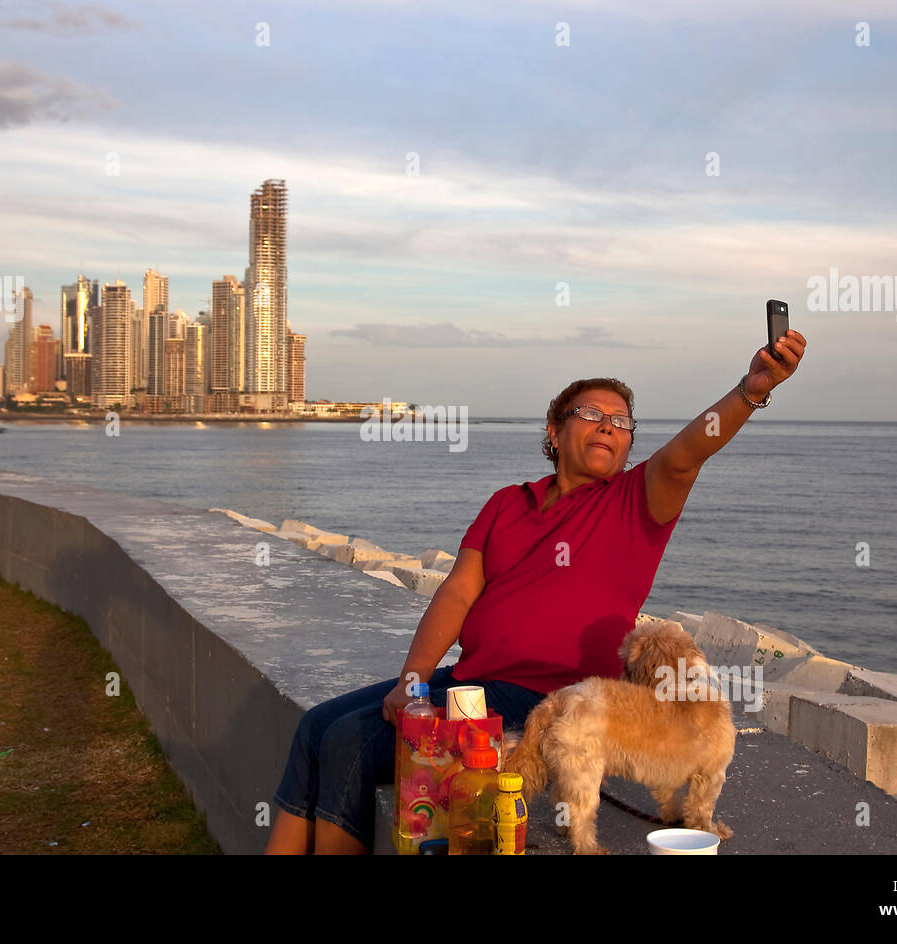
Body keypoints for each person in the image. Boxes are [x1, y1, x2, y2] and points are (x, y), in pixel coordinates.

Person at [265, 330, 807, 853]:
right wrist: (414, 679)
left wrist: (750, 391)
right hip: (473, 684)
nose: (607, 427)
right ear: (554, 429)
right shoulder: (507, 502)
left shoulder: (634, 504)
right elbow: (457, 593)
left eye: (621, 422)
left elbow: (689, 451)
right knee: (315, 727)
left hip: (548, 703)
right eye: (591, 414)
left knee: (349, 743)